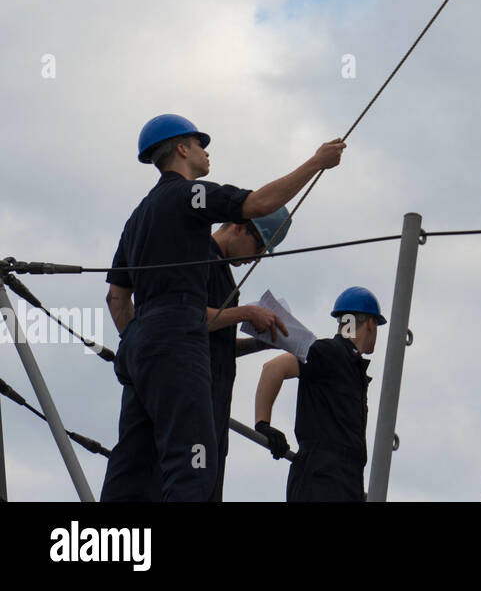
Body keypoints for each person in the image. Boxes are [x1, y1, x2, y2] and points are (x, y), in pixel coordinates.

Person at [100, 114, 346, 502]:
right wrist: (317, 162)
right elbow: (257, 203)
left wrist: (139, 337)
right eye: (200, 144)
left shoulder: (137, 217)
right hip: (178, 344)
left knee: (130, 469)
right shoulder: (190, 196)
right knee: (192, 465)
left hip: (140, 349)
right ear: (182, 148)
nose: (206, 151)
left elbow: (117, 296)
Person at [104, 207, 292, 501]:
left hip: (208, 410)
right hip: (180, 401)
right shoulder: (194, 255)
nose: (255, 258)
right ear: (241, 227)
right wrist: (246, 313)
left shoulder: (222, 273)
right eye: (259, 247)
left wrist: (260, 343)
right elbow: (179, 316)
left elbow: (207, 341)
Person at [254, 286, 384, 502]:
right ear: (371, 323)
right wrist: (263, 424)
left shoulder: (352, 366)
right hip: (321, 479)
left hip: (345, 482)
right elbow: (273, 368)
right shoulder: (330, 352)